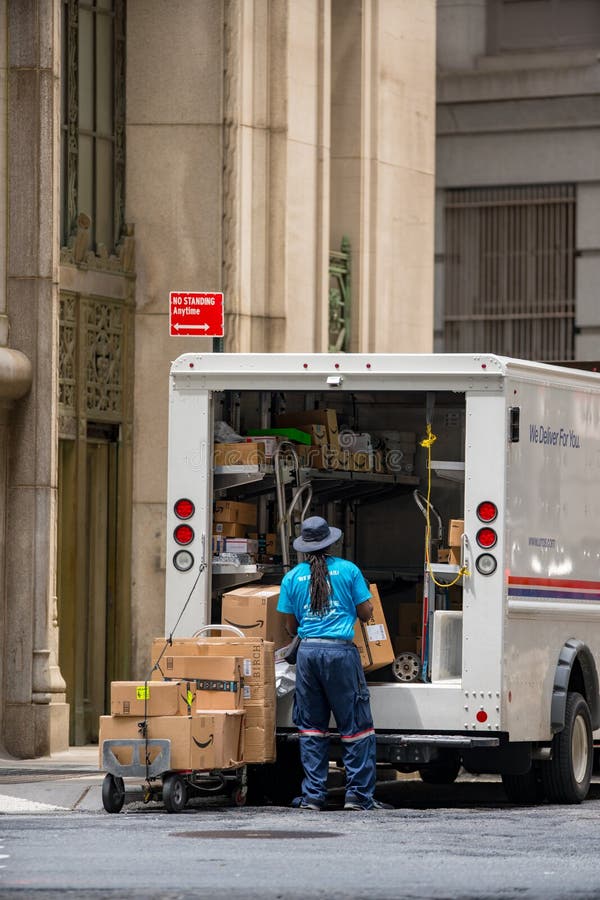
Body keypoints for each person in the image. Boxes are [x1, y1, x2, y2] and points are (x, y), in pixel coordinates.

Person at [277, 516, 392, 811]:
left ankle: (313, 796)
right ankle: (357, 796)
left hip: (308, 655)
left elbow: (291, 626)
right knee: (356, 727)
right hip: (340, 654)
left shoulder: (292, 578)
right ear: (331, 542)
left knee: (311, 728)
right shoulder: (348, 570)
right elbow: (366, 613)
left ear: (303, 546)